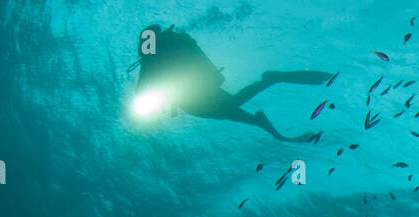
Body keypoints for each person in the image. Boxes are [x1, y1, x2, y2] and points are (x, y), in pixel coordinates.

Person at [133, 25, 330, 142]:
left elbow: (141, 91)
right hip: (198, 98)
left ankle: (270, 81)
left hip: (198, 98)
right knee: (228, 112)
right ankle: (267, 95)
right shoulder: (157, 57)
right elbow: (143, 92)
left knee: (228, 110)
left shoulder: (149, 63)